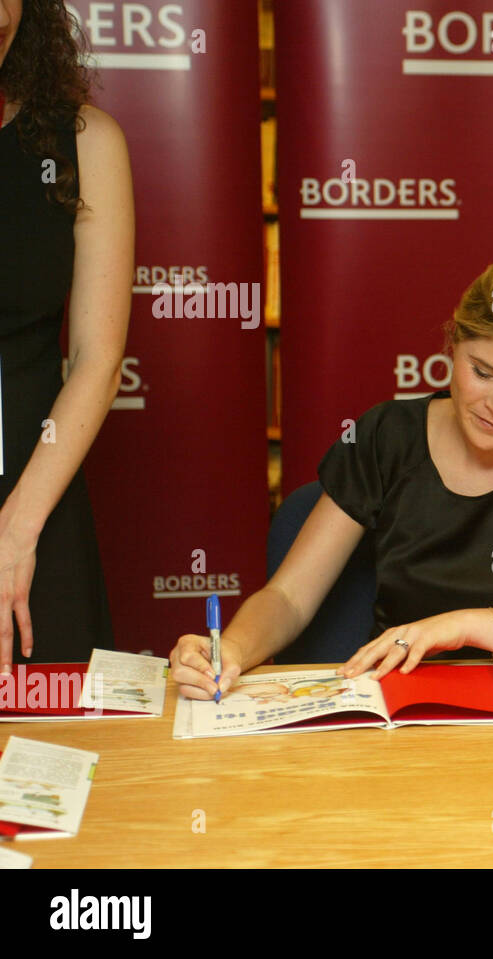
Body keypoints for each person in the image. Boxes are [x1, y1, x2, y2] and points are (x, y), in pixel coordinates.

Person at [169, 250, 493, 699]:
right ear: (453, 342)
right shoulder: (387, 438)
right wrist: (231, 648)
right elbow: (289, 597)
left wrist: (466, 626)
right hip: (401, 719)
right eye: (482, 372)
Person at [0, 0, 132, 673]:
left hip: (36, 498)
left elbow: (97, 358)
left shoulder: (84, 142)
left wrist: (18, 529)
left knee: (51, 760)